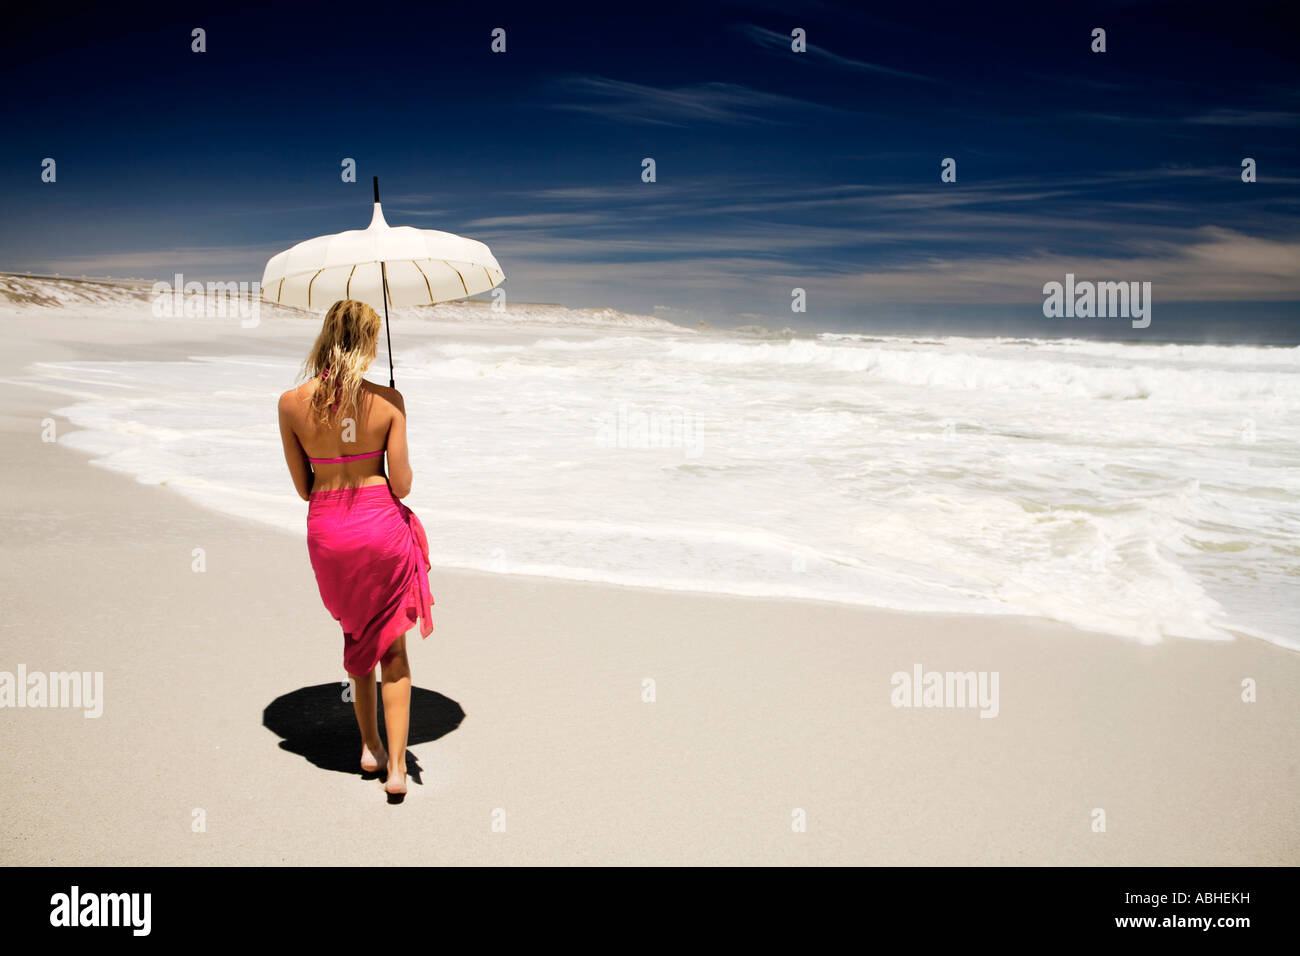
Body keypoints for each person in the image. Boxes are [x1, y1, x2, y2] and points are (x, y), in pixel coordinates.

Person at [276, 299, 433, 799]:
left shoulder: (290, 402)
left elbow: (304, 486)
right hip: (379, 530)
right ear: (369, 342)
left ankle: (369, 748)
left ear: (325, 335)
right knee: (394, 649)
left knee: (356, 637)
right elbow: (402, 486)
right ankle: (397, 772)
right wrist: (390, 414)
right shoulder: (389, 400)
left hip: (330, 534)